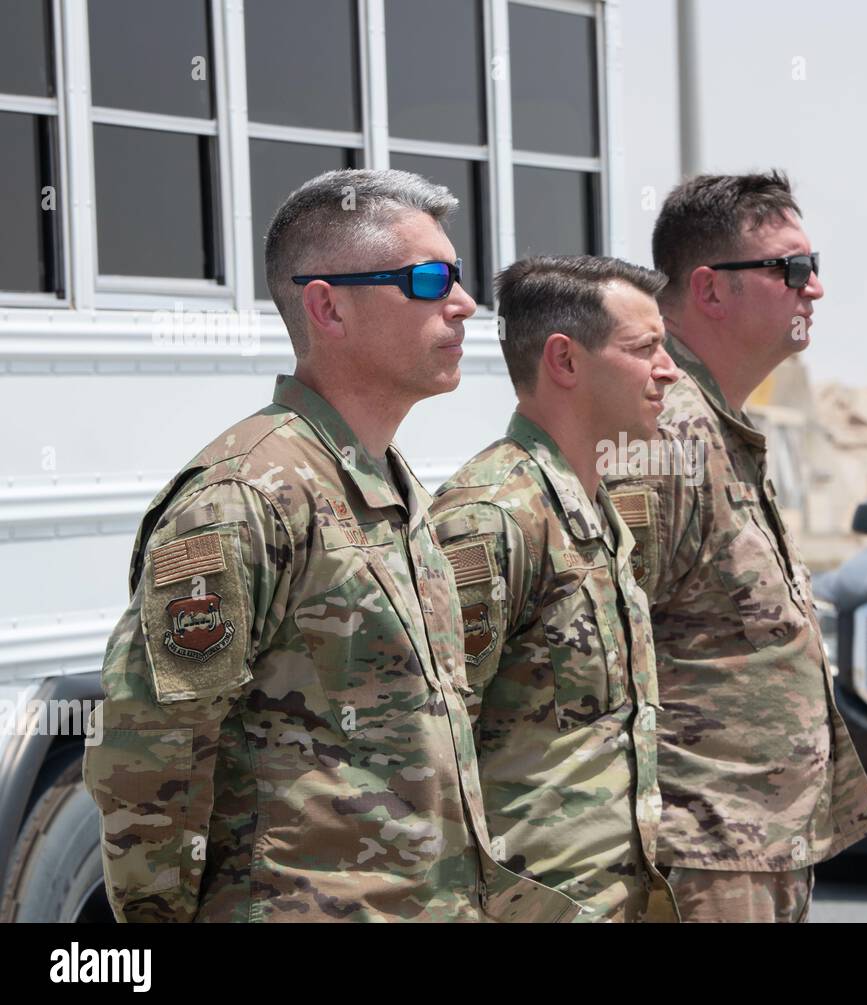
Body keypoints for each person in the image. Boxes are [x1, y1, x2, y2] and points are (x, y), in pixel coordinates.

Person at [83, 169, 580, 922]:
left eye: (458, 276)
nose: (464, 303)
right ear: (327, 307)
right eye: (427, 278)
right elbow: (152, 754)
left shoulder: (394, 490)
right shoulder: (245, 495)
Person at [607, 170, 867, 922]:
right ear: (710, 289)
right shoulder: (664, 433)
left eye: (814, 267)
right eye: (790, 269)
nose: (813, 290)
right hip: (698, 852)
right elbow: (595, 649)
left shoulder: (712, 426)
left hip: (754, 847)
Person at [430, 255, 679, 921]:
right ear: (565, 361)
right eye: (645, 348)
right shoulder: (490, 518)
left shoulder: (598, 507)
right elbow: (425, 748)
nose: (669, 369)